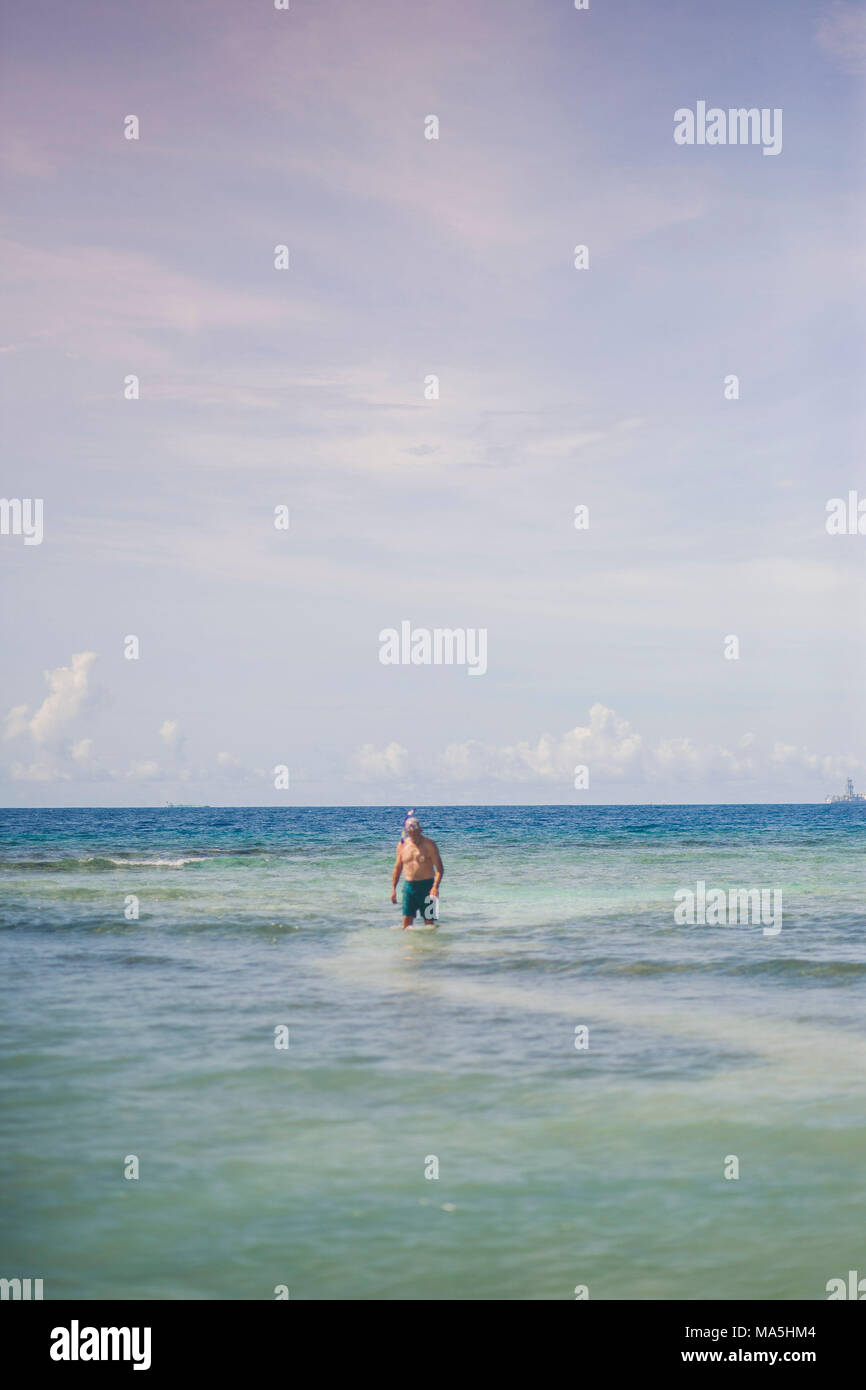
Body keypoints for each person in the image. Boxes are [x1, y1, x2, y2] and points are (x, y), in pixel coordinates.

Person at [391, 814, 444, 928]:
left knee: (429, 923)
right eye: (411, 831)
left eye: (416, 831)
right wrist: (393, 889)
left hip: (427, 887)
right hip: (409, 887)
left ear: (420, 829)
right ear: (406, 831)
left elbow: (440, 869)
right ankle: (409, 945)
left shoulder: (430, 844)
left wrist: (435, 887)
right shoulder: (402, 845)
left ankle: (431, 945)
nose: (414, 834)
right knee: (406, 923)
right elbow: (398, 868)